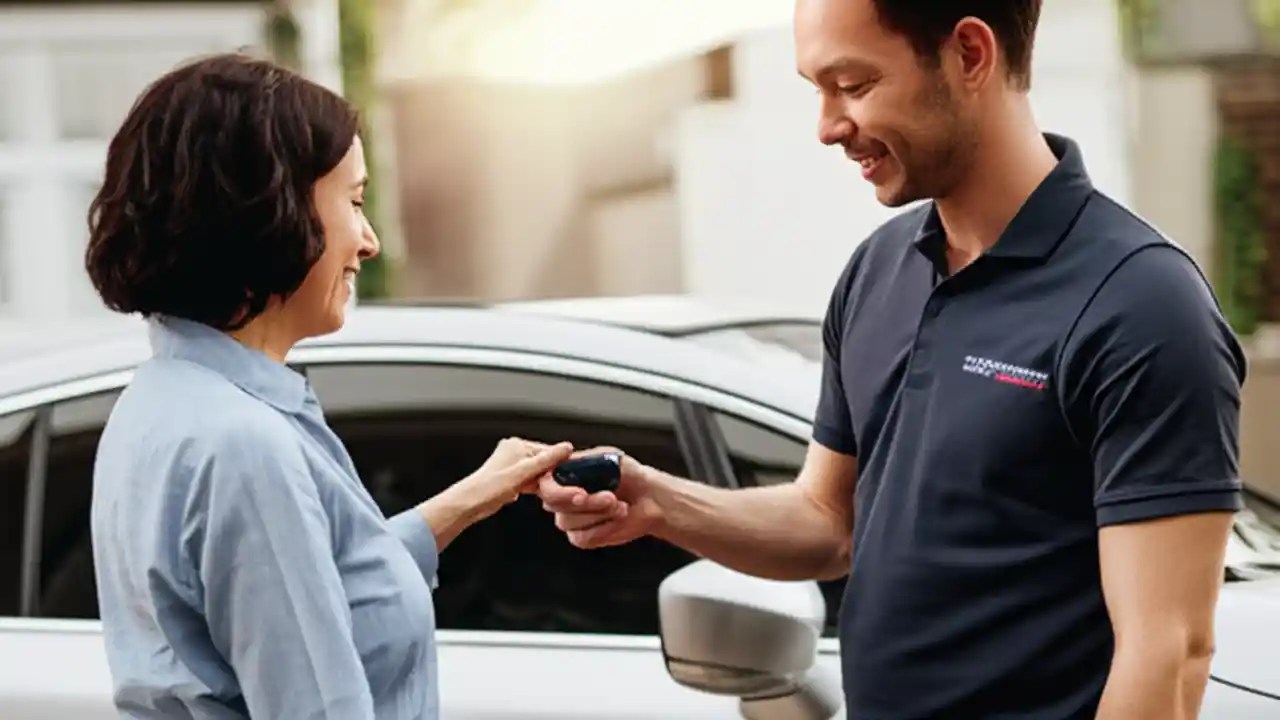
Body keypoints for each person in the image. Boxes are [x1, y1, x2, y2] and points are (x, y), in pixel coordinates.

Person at [538, 1, 1245, 719]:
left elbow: (1168, 655)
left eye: (852, 85)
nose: (827, 127)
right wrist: (659, 502)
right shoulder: (877, 270)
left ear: (970, 54)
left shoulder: (1142, 303)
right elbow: (829, 521)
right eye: (817, 90)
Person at [84, 52, 572, 719]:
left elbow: (321, 589)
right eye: (355, 201)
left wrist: (470, 499)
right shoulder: (243, 445)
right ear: (270, 208)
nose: (369, 241)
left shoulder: (163, 402)